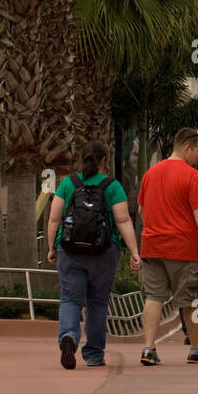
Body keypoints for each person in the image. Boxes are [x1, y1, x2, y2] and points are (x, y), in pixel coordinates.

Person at [46, 140, 140, 369]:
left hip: (69, 251)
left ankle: (68, 336)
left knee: (70, 298)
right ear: (104, 160)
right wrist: (134, 252)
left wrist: (51, 247)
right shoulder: (112, 186)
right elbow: (123, 220)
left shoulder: (68, 183)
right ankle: (94, 354)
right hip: (103, 252)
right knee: (97, 304)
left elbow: (54, 218)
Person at [137, 128, 198, 366]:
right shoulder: (193, 177)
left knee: (153, 297)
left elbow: (142, 210)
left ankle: (149, 348)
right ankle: (197, 349)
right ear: (187, 148)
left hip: (152, 246)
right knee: (192, 300)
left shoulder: (150, 174)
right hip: (184, 249)